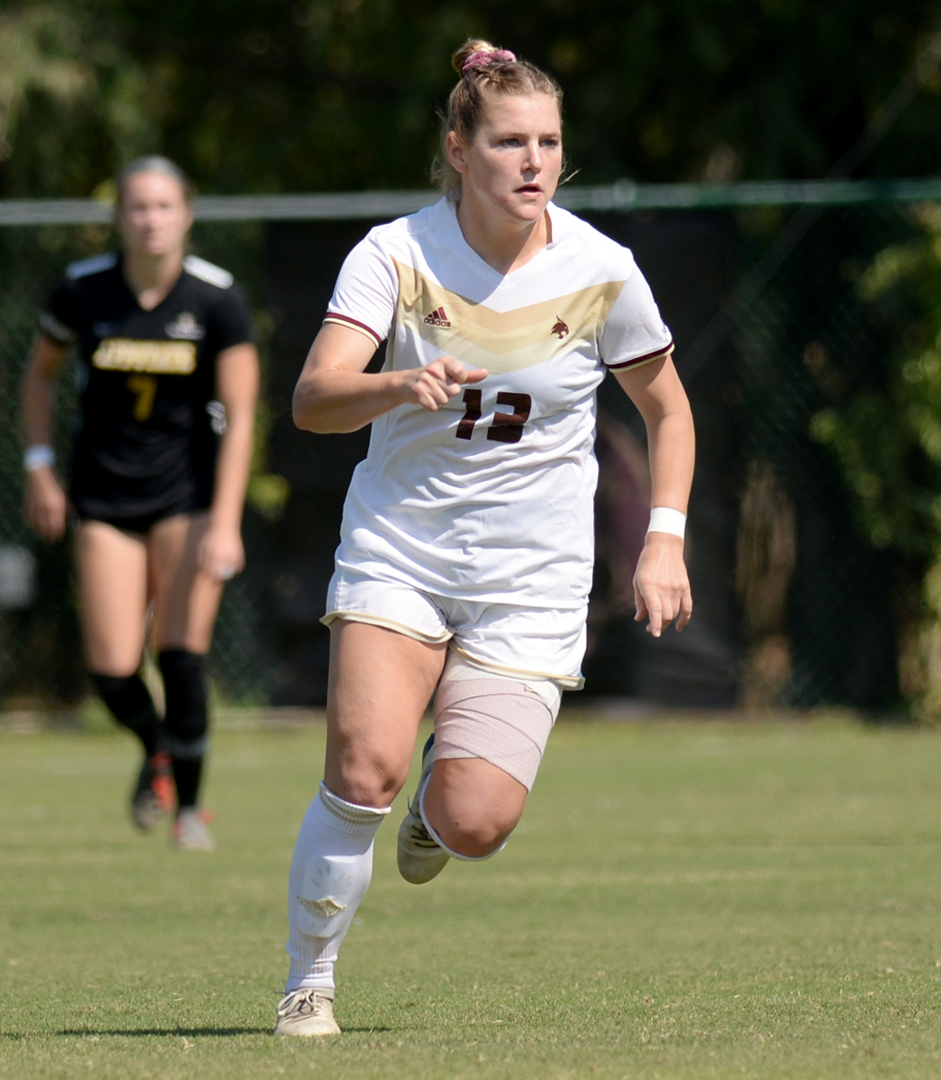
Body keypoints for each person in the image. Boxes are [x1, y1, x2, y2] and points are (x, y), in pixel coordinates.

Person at [271, 40, 694, 1037]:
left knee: (474, 823)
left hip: (533, 576)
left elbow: (668, 413)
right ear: (459, 149)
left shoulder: (602, 271)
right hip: (402, 550)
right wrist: (392, 382)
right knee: (362, 768)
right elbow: (313, 399)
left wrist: (664, 539)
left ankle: (436, 807)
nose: (533, 161)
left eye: (547, 141)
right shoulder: (397, 254)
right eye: (509, 141)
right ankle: (309, 981)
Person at [21, 156, 259, 852]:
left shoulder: (216, 298)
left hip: (186, 501)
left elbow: (241, 416)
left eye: (164, 207)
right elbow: (38, 379)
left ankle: (189, 811)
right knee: (114, 671)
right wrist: (39, 469)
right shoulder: (82, 291)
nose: (151, 220)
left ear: (185, 213)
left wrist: (225, 522)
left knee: (182, 655)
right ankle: (158, 751)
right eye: (137, 207)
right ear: (118, 217)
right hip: (103, 500)